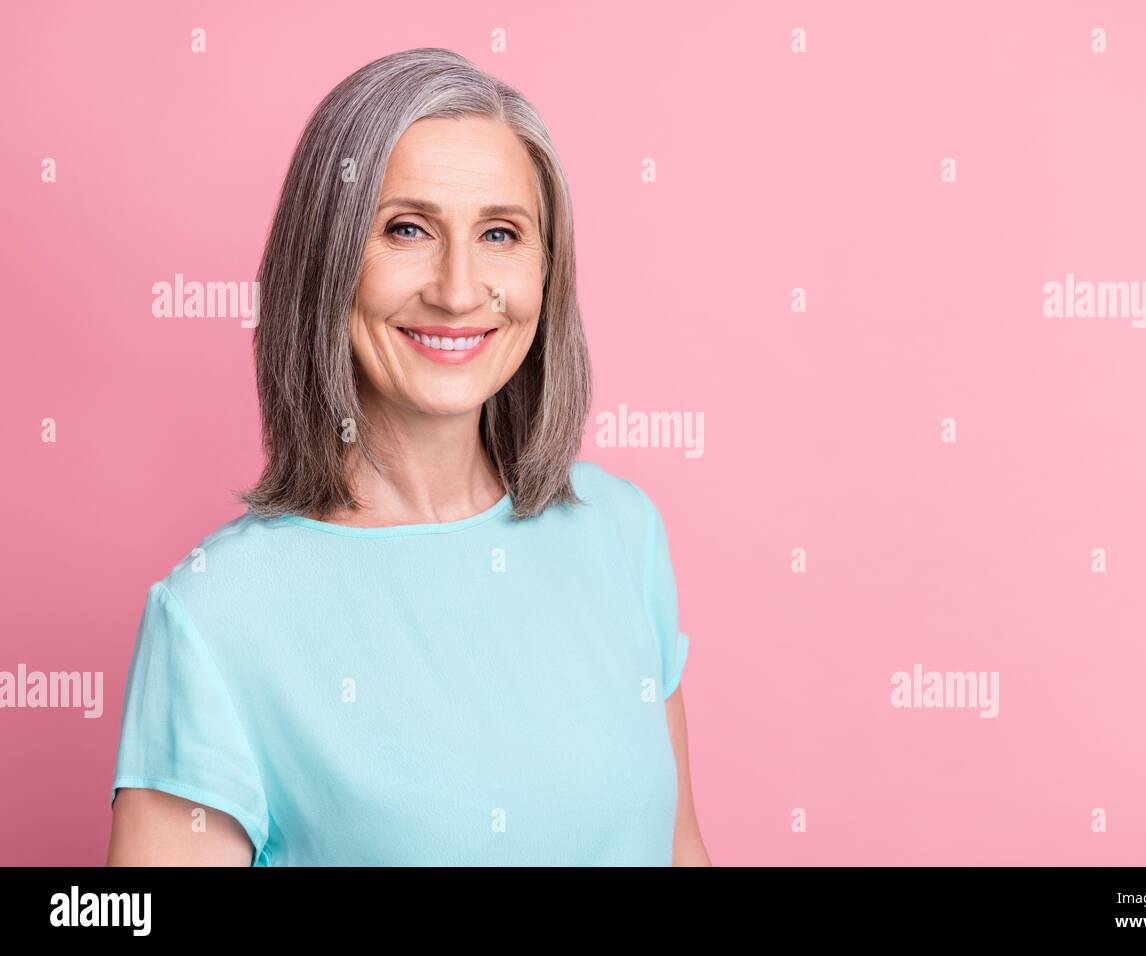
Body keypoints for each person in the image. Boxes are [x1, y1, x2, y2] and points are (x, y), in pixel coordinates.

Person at [106, 47, 708, 866]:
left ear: (546, 269)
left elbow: (678, 849)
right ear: (326, 264)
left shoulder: (623, 534)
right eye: (407, 230)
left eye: (500, 233)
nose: (459, 290)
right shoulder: (213, 620)